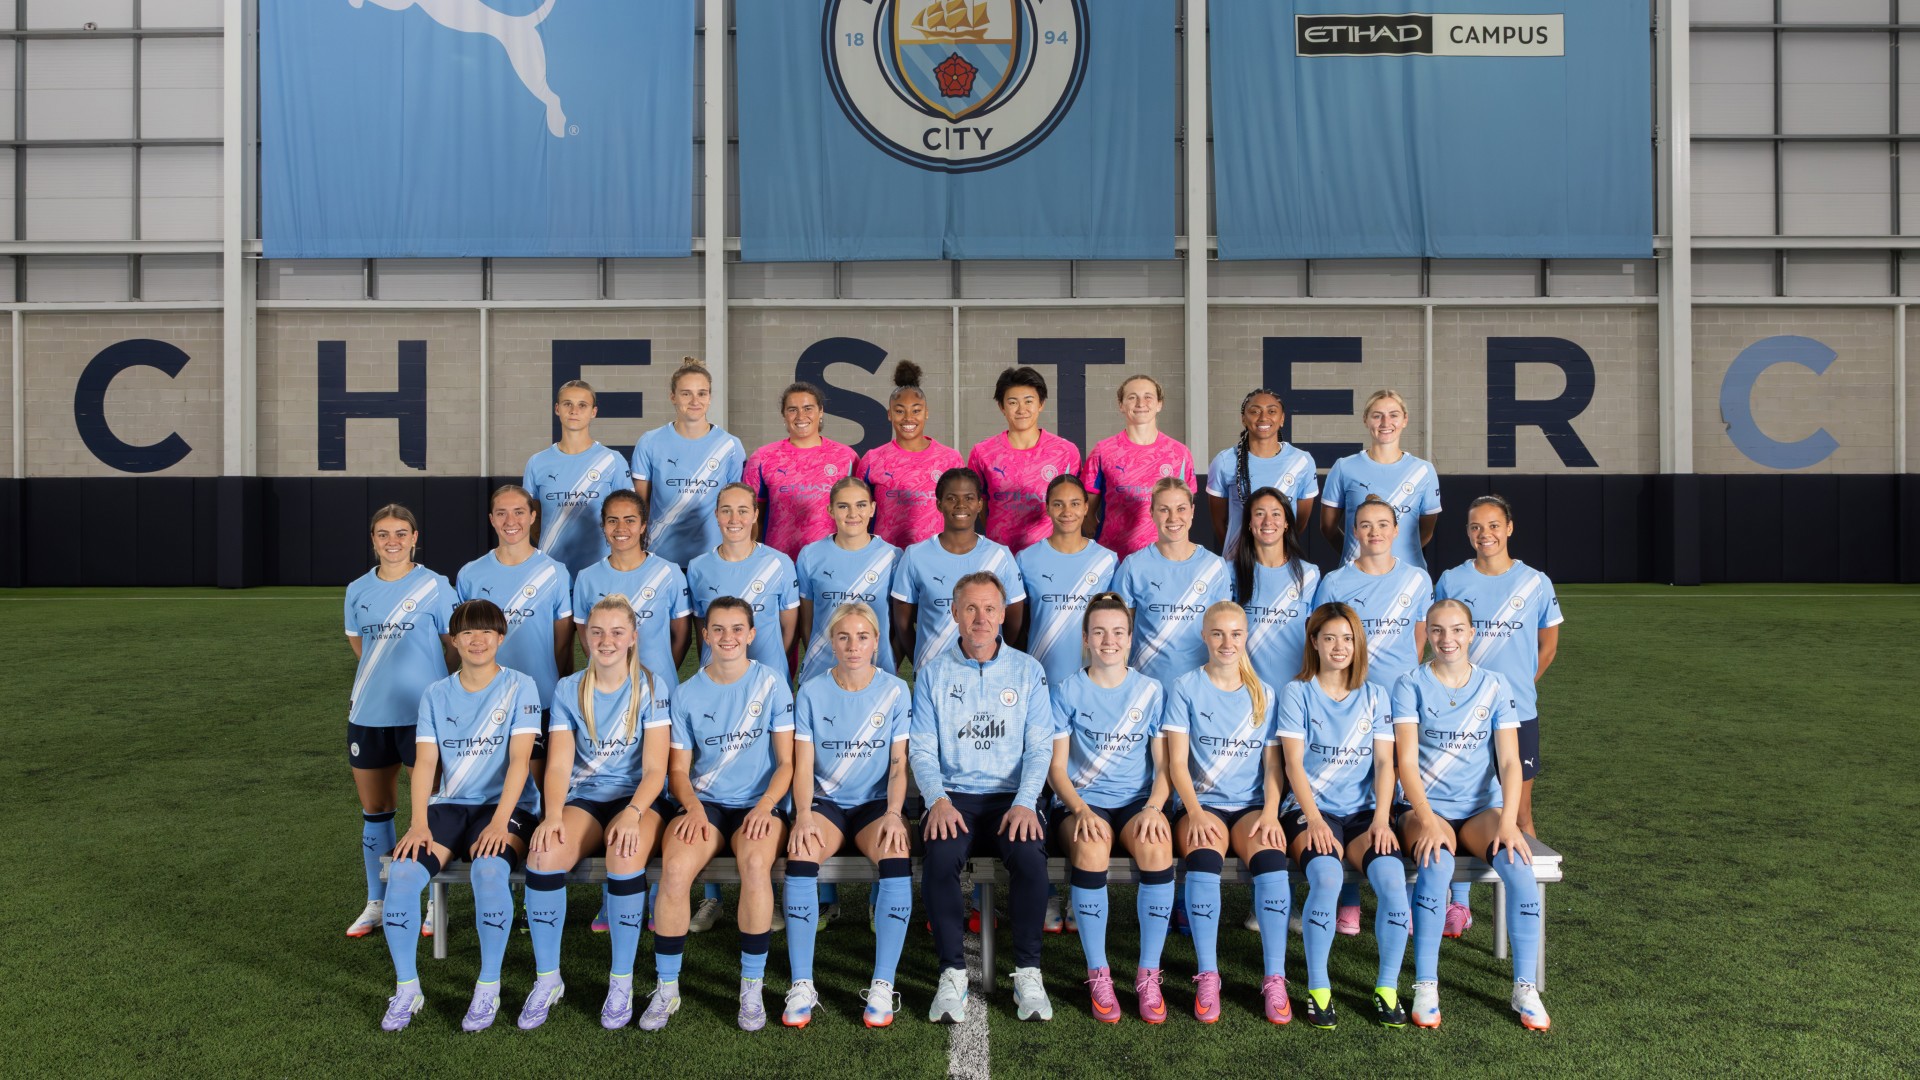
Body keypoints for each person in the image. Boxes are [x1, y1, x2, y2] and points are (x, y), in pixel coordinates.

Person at [377, 600, 543, 1032]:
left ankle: (488, 987)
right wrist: (417, 823)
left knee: (489, 871)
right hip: (449, 805)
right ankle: (407, 988)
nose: (477, 640)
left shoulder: (521, 686)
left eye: (486, 632)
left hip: (509, 807)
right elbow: (426, 764)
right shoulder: (436, 693)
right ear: (454, 640)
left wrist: (498, 820)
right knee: (403, 873)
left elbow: (521, 763)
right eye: (467, 633)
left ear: (501, 638)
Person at [638, 597, 796, 1033]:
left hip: (758, 803)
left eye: (736, 629)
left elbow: (786, 764)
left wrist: (766, 807)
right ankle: (667, 988)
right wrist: (691, 808)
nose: (728, 638)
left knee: (755, 865)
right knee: (673, 871)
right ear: (705, 636)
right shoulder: (686, 693)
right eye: (718, 630)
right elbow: (678, 770)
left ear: (751, 634)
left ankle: (751, 988)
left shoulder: (772, 684)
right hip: (704, 803)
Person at [1393, 598, 1549, 1031]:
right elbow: (1405, 762)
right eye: (1438, 630)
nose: (1447, 639)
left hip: (1480, 809)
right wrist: (1425, 818)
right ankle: (1426, 984)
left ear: (1471, 633)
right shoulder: (1410, 684)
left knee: (1518, 867)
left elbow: (1511, 762)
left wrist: (1507, 822)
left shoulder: (1496, 685)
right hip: (1423, 809)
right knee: (1436, 862)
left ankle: (1524, 987)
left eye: (1457, 630)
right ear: (1428, 635)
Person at [518, 595, 673, 1030]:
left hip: (640, 798)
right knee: (544, 855)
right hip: (585, 797)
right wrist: (551, 816)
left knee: (624, 855)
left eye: (617, 632)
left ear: (632, 638)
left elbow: (656, 768)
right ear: (586, 637)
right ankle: (548, 979)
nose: (606, 640)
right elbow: (560, 765)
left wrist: (634, 811)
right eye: (598, 632)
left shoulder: (652, 687)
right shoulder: (569, 688)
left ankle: (620, 981)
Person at [912, 572, 1055, 1024]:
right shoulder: (932, 673)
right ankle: (951, 974)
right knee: (939, 857)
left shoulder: (1028, 671)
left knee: (1031, 860)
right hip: (954, 798)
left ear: (1003, 614)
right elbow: (921, 748)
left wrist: (1026, 800)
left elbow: (1040, 747)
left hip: (1011, 799)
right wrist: (935, 799)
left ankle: (1029, 973)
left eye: (989, 608)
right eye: (970, 608)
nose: (980, 618)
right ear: (953, 613)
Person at [1432, 494, 1563, 934]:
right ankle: (1460, 902)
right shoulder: (1452, 579)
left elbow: (1548, 646)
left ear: (1509, 528)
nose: (1484, 534)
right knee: (1461, 805)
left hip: (1516, 716)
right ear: (1467, 533)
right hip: (1458, 716)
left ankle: (1520, 913)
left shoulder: (1535, 582)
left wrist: (1514, 693)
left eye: (1492, 525)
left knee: (1518, 813)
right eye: (1475, 527)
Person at [1276, 603, 1410, 1030]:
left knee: (1391, 881)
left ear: (1358, 644)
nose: (1339, 647)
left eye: (1347, 639)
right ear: (1314, 642)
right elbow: (1293, 764)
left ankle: (1386, 988)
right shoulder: (1297, 692)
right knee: (1328, 878)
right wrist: (1313, 819)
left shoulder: (1375, 695)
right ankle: (1318, 988)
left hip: (1362, 814)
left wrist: (1382, 820)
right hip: (1308, 810)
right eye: (1329, 638)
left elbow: (1386, 765)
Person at [781, 602, 914, 1029]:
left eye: (862, 637)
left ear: (876, 642)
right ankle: (802, 983)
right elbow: (803, 766)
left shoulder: (896, 689)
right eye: (843, 637)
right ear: (831, 642)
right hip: (827, 804)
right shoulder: (813, 691)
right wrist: (802, 815)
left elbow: (898, 764)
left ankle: (881, 984)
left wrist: (895, 813)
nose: (853, 645)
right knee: (801, 858)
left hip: (876, 805)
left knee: (895, 857)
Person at [1046, 594, 1175, 1023]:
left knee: (1157, 847)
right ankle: (1098, 972)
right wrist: (1080, 810)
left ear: (1130, 638)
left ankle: (1148, 974)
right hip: (1082, 802)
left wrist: (1155, 808)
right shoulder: (1066, 690)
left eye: (1118, 632)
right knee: (1092, 847)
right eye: (1098, 632)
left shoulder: (1151, 690)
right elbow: (1057, 770)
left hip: (1137, 803)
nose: (1109, 640)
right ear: (1085, 639)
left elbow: (1164, 767)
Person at [1162, 602, 1291, 1025]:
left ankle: (1275, 978)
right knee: (1203, 861)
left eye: (1235, 634)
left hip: (1253, 806)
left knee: (1272, 864)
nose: (1227, 642)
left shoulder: (1264, 692)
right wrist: (1195, 811)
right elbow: (1176, 763)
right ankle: (1208, 974)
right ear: (1204, 636)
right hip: (1204, 804)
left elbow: (1275, 766)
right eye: (1218, 634)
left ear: (1246, 636)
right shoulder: (1184, 687)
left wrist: (1271, 812)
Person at [344, 505, 456, 940]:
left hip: (422, 717)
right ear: (372, 539)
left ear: (414, 538)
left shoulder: (435, 585)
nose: (392, 540)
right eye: (383, 533)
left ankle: (431, 901)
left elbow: (452, 646)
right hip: (368, 715)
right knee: (376, 811)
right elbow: (360, 645)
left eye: (401, 533)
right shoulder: (357, 589)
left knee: (426, 809)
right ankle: (377, 900)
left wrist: (427, 681)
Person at [891, 467, 1027, 672]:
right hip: (933, 672)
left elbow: (1014, 622)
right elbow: (902, 623)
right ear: (939, 504)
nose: (961, 505)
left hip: (985, 672)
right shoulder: (915, 555)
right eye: (952, 498)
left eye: (969, 498)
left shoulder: (1000, 556)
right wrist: (922, 660)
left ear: (980, 504)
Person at [456, 485, 574, 719]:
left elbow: (562, 643)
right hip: (484, 697)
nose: (510, 521)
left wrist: (547, 678)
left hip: (541, 696)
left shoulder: (555, 572)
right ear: (491, 519)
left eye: (519, 512)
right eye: (501, 513)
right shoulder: (470, 574)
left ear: (532, 516)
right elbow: (461, 640)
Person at [1113, 479, 1234, 687]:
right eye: (1164, 510)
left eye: (1181, 509)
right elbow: (1118, 635)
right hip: (1146, 688)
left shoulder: (1215, 567)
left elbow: (1224, 632)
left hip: (1200, 688)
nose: (1173, 518)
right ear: (1151, 512)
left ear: (1193, 511)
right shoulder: (1134, 566)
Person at [631, 357, 747, 568]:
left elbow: (736, 506)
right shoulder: (649, 442)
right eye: (686, 394)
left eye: (701, 393)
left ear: (710, 397)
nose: (695, 401)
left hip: (713, 558)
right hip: (661, 557)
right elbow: (640, 506)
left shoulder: (730, 446)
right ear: (673, 397)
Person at [571, 490, 692, 688]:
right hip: (606, 687)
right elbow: (586, 637)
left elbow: (682, 636)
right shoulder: (586, 578)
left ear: (643, 525)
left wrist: (660, 675)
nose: (621, 528)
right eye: (612, 521)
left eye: (630, 520)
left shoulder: (669, 572)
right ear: (603, 526)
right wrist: (607, 667)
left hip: (658, 686)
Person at [522, 379, 637, 577]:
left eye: (582, 405)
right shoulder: (537, 462)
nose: (574, 411)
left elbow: (628, 516)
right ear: (557, 409)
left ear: (593, 412)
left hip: (601, 570)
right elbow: (532, 520)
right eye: (568, 404)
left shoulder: (612, 460)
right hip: (551, 570)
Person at [1314, 496, 1431, 689]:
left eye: (1383, 524)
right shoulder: (1334, 582)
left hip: (1403, 692)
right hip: (1352, 692)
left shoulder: (1418, 579)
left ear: (1395, 530)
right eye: (1366, 525)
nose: (1375, 532)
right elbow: (1320, 642)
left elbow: (1419, 637)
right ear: (1355, 531)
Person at [1015, 474, 1119, 686]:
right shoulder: (1026, 559)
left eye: (1075, 504)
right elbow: (1019, 627)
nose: (1067, 512)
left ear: (1086, 508)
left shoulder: (1107, 560)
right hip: (1041, 679)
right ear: (1047, 508)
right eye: (1058, 504)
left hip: (1093, 679)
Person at [1079, 374, 1197, 559]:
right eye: (1132, 397)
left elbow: (1185, 511)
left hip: (1163, 559)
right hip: (1113, 558)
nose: (1141, 403)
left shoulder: (1179, 453)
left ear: (1159, 404)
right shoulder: (1103, 451)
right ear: (1121, 405)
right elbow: (1087, 515)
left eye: (1148, 397)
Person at [795, 477, 900, 685]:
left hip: (877, 670)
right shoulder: (810, 555)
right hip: (821, 670)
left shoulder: (892, 557)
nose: (853, 514)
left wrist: (884, 656)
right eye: (843, 506)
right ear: (830, 510)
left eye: (861, 505)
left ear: (872, 509)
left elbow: (898, 623)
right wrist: (821, 654)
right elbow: (807, 621)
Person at [1321, 390, 1441, 571]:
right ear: (1365, 420)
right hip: (1356, 574)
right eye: (1377, 416)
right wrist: (1358, 553)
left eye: (1394, 415)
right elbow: (1328, 528)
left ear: (1405, 420)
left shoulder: (1423, 471)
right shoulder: (1344, 467)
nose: (1385, 423)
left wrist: (1397, 556)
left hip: (1408, 577)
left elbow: (1426, 531)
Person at [687, 483, 800, 675]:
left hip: (769, 675)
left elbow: (790, 629)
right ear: (716, 514)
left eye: (743, 511)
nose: (734, 519)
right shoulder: (697, 567)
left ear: (755, 514)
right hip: (718, 676)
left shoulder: (779, 563)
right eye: (726, 511)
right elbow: (702, 631)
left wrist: (774, 664)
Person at [967, 366, 1081, 553]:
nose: (1022, 409)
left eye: (1029, 401)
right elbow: (981, 508)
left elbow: (1076, 506)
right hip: (999, 555)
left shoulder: (1065, 451)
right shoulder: (982, 452)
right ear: (1002, 407)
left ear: (1041, 404)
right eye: (1013, 402)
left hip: (1049, 555)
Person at [743, 381, 860, 562]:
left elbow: (861, 515)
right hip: (778, 561)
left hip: (832, 561)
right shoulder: (763, 458)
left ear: (820, 411)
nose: (801, 416)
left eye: (808, 408)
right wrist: (753, 560)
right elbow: (752, 518)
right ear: (784, 415)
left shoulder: (846, 458)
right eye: (792, 409)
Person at [854, 360, 964, 550]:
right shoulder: (873, 459)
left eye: (916, 410)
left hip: (936, 556)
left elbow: (962, 512)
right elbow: (858, 512)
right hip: (885, 558)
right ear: (889, 414)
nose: (908, 418)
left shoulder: (950, 459)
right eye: (899, 411)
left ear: (926, 413)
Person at [1207, 389, 1318, 560]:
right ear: (1243, 419)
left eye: (1272, 411)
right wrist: (1239, 551)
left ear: (1282, 419)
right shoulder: (1224, 461)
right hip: (1237, 561)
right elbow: (1219, 522)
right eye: (1254, 411)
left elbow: (1299, 521)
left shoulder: (1302, 461)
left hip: (1282, 561)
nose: (1263, 417)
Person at [1234, 487, 1322, 691]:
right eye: (1259, 514)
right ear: (1249, 523)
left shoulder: (1309, 575)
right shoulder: (1230, 572)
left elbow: (1317, 639)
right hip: (1245, 690)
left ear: (1286, 523)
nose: (1267, 521)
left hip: (1296, 690)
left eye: (1276, 514)